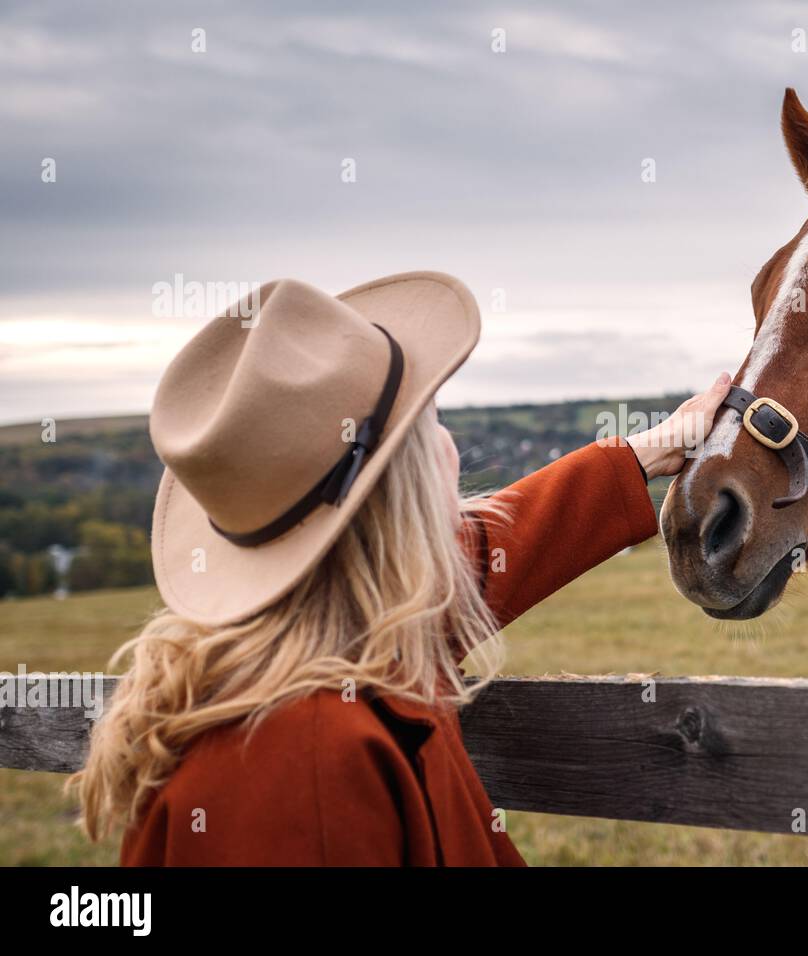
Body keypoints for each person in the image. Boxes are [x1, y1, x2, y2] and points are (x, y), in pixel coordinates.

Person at [71, 271, 730, 865]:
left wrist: (643, 454)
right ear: (400, 484)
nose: (448, 440)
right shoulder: (304, 763)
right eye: (428, 419)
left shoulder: (338, 645)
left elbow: (469, 566)